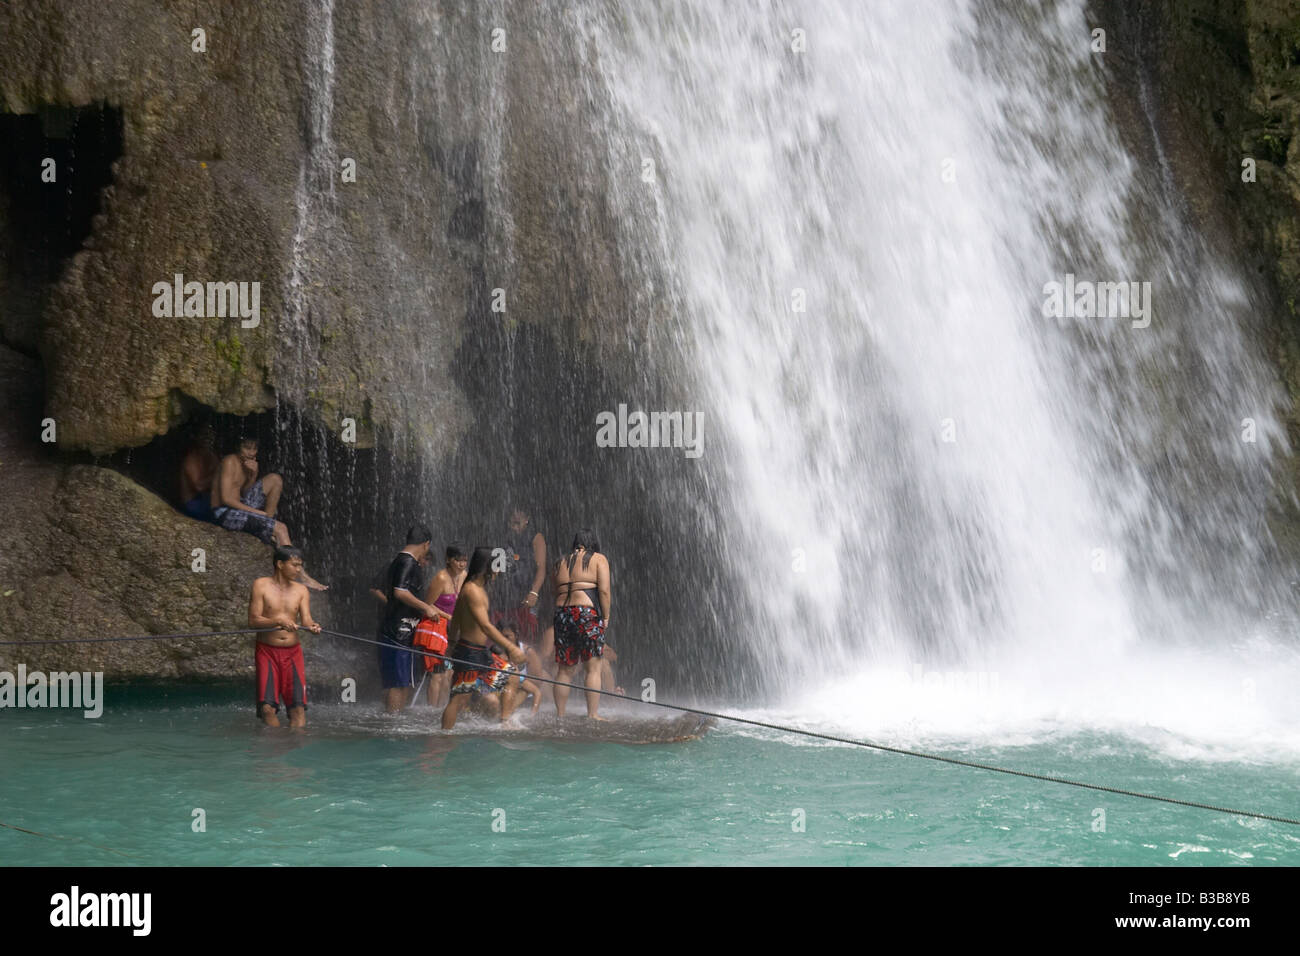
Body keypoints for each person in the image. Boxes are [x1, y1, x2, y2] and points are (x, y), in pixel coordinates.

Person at [212, 436, 326, 590]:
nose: (251, 453)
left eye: (254, 449)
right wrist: (257, 513)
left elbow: (244, 492)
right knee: (281, 528)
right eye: (247, 448)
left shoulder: (248, 464)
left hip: (240, 507)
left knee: (275, 479)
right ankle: (302, 576)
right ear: (238, 447)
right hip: (224, 512)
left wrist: (252, 475)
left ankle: (267, 525)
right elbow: (226, 498)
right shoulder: (229, 461)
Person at [441, 546, 526, 729]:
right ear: (486, 568)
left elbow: (455, 619)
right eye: (495, 568)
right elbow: (486, 626)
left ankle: (504, 721)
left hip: (480, 652)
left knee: (511, 673)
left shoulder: (476, 588)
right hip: (469, 652)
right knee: (459, 697)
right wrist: (511, 648)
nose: (496, 573)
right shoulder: (472, 590)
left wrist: (451, 644)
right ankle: (444, 735)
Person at [247, 545, 321, 728]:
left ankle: (295, 747)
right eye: (294, 565)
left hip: (293, 653)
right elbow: (253, 620)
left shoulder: (302, 590)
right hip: (267, 652)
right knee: (267, 708)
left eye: (300, 566)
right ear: (280, 564)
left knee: (297, 708)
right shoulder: (260, 585)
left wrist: (313, 626)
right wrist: (277, 620)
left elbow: (306, 620)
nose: (298, 570)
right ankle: (275, 745)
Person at [378, 525, 441, 714]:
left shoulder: (400, 560)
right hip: (398, 632)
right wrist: (426, 608)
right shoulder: (407, 562)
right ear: (426, 544)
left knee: (402, 681)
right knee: (399, 682)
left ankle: (394, 718)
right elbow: (400, 591)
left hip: (399, 629)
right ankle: (393, 721)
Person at [551, 529, 611, 719]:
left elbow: (557, 591)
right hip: (586, 614)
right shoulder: (598, 559)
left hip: (562, 614)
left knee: (564, 669)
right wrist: (606, 616)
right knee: (593, 667)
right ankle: (592, 714)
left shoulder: (560, 561)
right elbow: (604, 591)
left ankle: (560, 715)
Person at [492, 506, 551, 667]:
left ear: (527, 519)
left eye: (517, 523)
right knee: (500, 639)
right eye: (511, 523)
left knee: (526, 639)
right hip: (503, 597)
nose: (514, 527)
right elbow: (495, 567)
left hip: (525, 597)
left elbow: (541, 568)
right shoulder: (503, 538)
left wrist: (534, 592)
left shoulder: (535, 537)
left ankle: (528, 678)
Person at [416, 543, 468, 708]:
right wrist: (449, 617)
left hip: (454, 631)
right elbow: (427, 604)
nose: (462, 564)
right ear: (448, 560)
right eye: (458, 560)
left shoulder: (464, 575)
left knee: (450, 673)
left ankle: (442, 709)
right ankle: (431, 711)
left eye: (464, 560)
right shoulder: (440, 578)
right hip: (437, 628)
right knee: (437, 674)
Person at [497, 621, 544, 716]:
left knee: (523, 691)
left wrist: (517, 680)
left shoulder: (527, 652)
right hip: (504, 692)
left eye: (507, 636)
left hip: (525, 694)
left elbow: (538, 682)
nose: (504, 640)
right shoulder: (497, 652)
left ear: (516, 635)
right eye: (501, 637)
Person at [178, 422, 219, 522]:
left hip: (206, 499)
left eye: (210, 434)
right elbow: (199, 486)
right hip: (191, 504)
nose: (208, 438)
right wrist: (218, 472)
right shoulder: (191, 459)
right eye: (204, 434)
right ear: (196, 437)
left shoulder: (212, 456)